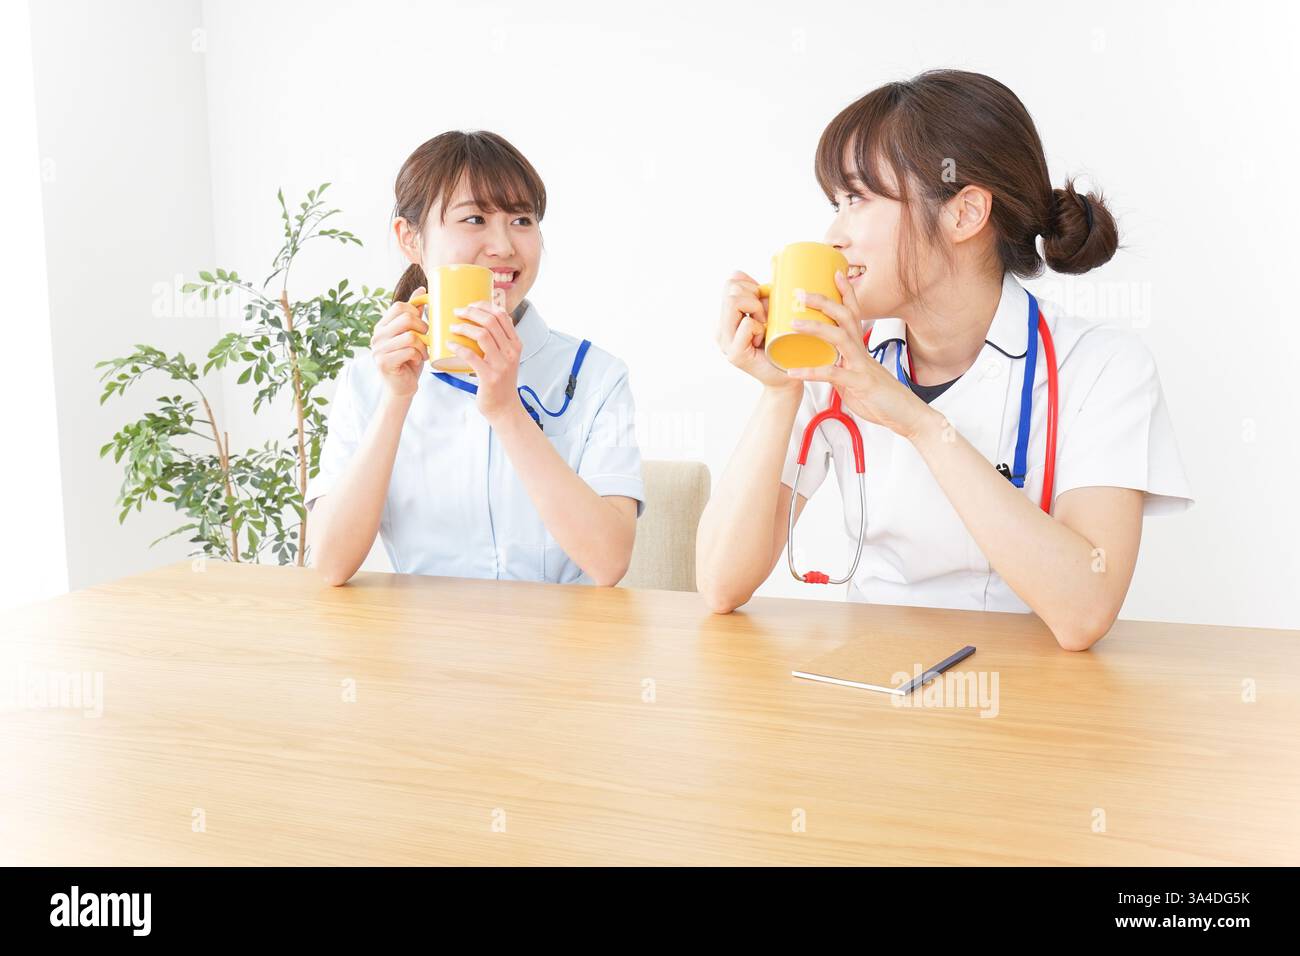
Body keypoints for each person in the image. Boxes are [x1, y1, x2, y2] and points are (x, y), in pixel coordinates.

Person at [696, 70, 1193, 651]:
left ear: (964, 213)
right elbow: (720, 583)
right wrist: (780, 389)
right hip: (873, 687)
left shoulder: (1102, 366)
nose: (833, 234)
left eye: (857, 199)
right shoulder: (832, 354)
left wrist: (916, 421)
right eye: (835, 203)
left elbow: (1084, 613)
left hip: (1032, 702)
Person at [308, 130, 644, 586]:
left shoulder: (595, 375)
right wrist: (396, 400)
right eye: (474, 219)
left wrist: (506, 411)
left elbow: (608, 563)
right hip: (426, 644)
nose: (504, 246)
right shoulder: (369, 381)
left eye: (522, 220)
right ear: (410, 239)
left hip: (564, 646)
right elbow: (330, 565)